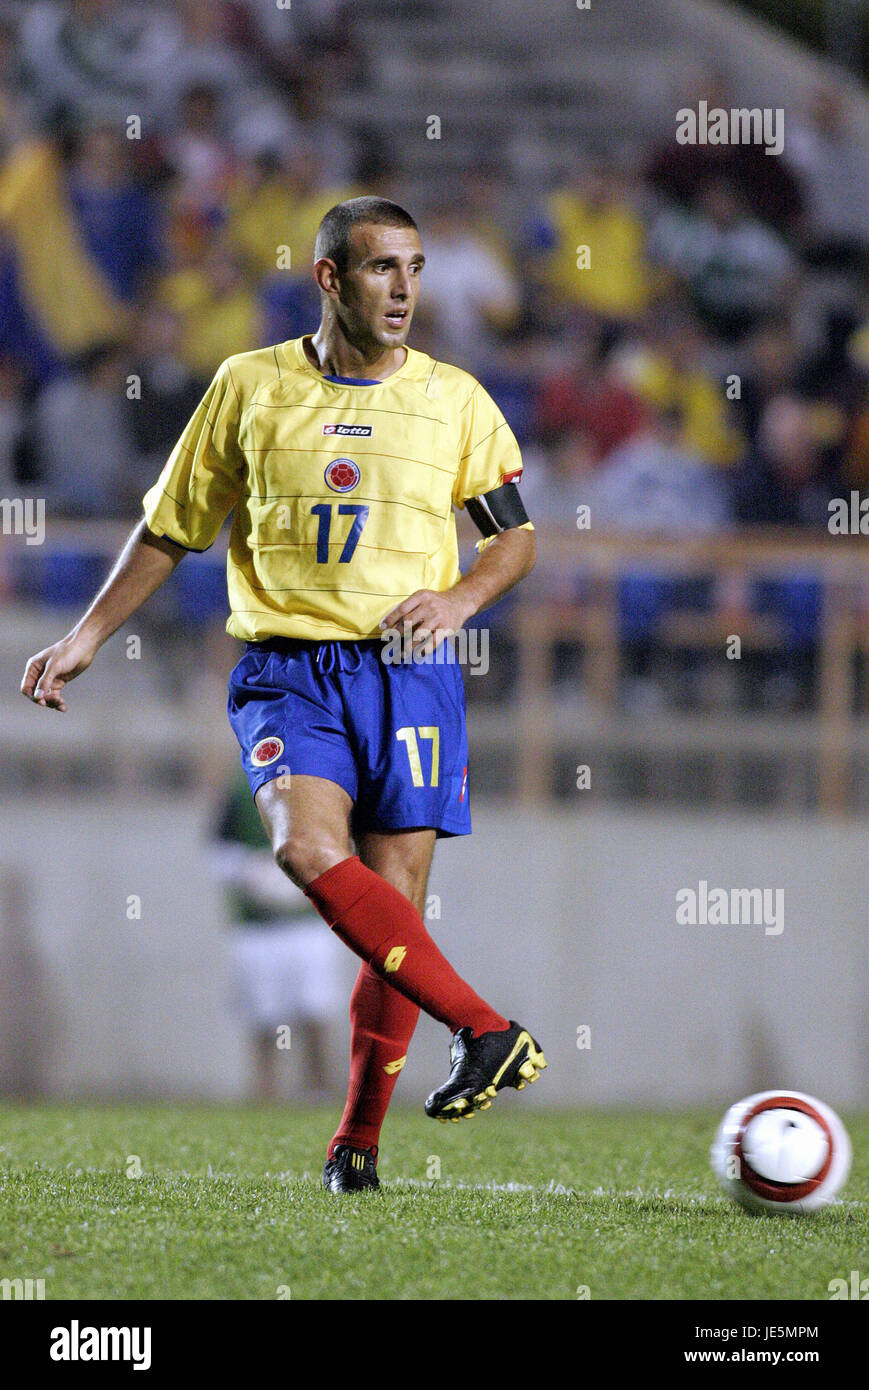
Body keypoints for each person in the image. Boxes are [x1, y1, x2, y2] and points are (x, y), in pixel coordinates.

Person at [21, 195, 546, 1195]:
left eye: (416, 268)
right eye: (382, 268)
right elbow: (172, 526)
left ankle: (356, 1145)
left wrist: (462, 597)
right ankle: (482, 1027)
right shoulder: (248, 386)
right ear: (329, 278)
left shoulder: (455, 399)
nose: (403, 289)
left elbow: (512, 535)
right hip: (285, 669)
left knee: (395, 912)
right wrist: (88, 633)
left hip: (409, 675)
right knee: (307, 850)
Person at [210, 766, 343, 1104]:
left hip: (310, 924)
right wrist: (249, 871)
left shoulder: (321, 780)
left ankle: (320, 1092)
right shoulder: (240, 788)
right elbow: (216, 849)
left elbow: (343, 839)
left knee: (315, 1011)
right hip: (258, 928)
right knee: (263, 1016)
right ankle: (265, 1093)